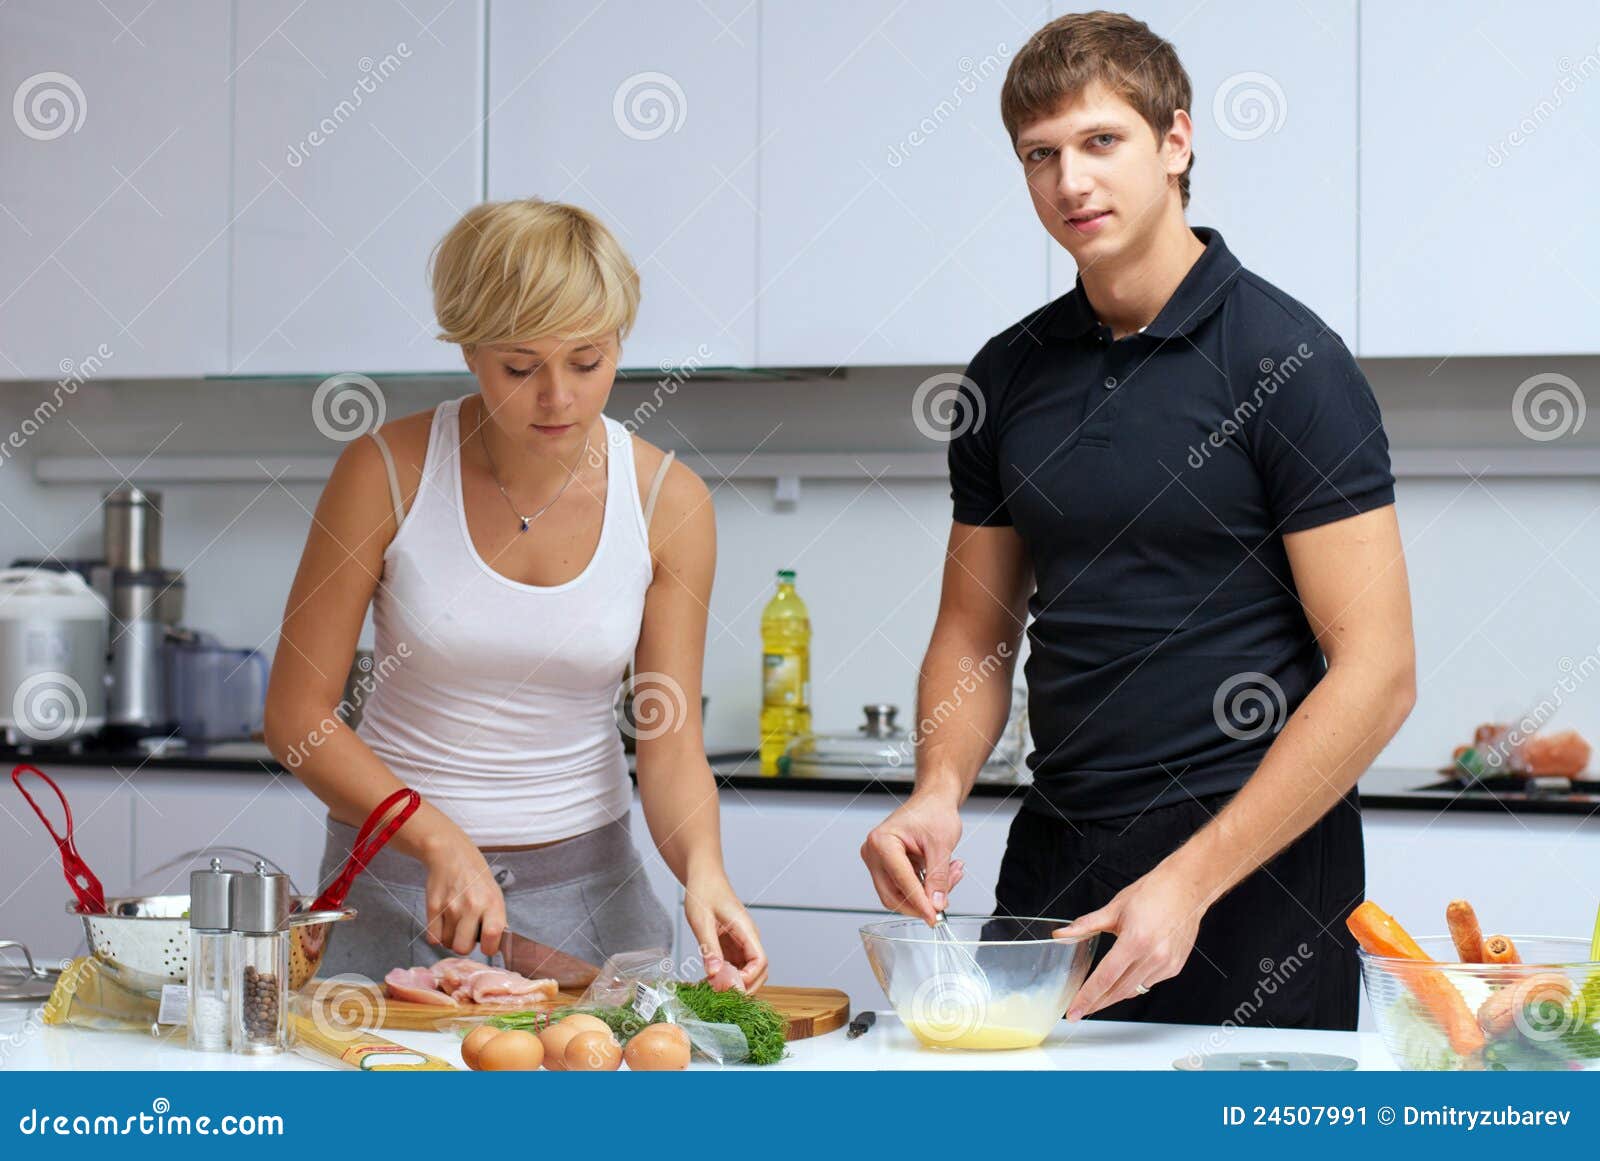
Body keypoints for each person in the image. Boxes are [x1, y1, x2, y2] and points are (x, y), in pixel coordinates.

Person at [861, 11, 1414, 1030]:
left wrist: (1192, 881)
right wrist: (937, 788)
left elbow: (1377, 672)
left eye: (1100, 142)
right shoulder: (1006, 376)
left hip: (1256, 882)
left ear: (1175, 143)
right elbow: (976, 630)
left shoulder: (1289, 364)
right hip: (1061, 855)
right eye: (1040, 154)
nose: (1069, 181)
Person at [265, 198, 768, 991]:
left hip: (589, 905)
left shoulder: (669, 502)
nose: (558, 397)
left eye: (587, 360)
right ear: (468, 348)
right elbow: (296, 715)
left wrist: (704, 870)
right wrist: (433, 835)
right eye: (520, 366)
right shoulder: (384, 472)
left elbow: (669, 743)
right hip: (395, 890)